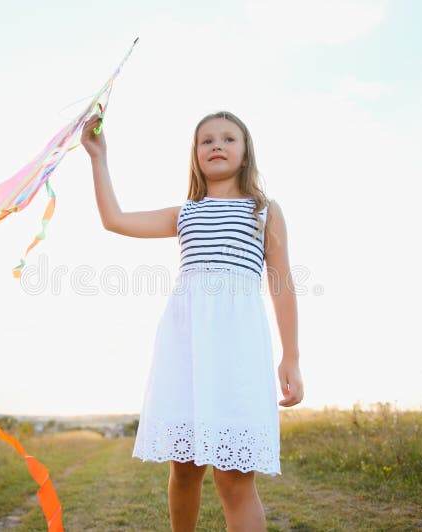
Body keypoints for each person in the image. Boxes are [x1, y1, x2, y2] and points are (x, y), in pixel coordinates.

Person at [81, 110, 303, 531]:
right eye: (206, 140)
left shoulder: (264, 211)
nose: (217, 145)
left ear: (245, 150)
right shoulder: (185, 213)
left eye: (228, 138)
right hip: (185, 348)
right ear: (195, 155)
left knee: (234, 481)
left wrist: (290, 357)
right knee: (183, 470)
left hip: (236, 353)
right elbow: (114, 220)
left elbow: (282, 285)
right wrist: (98, 156)